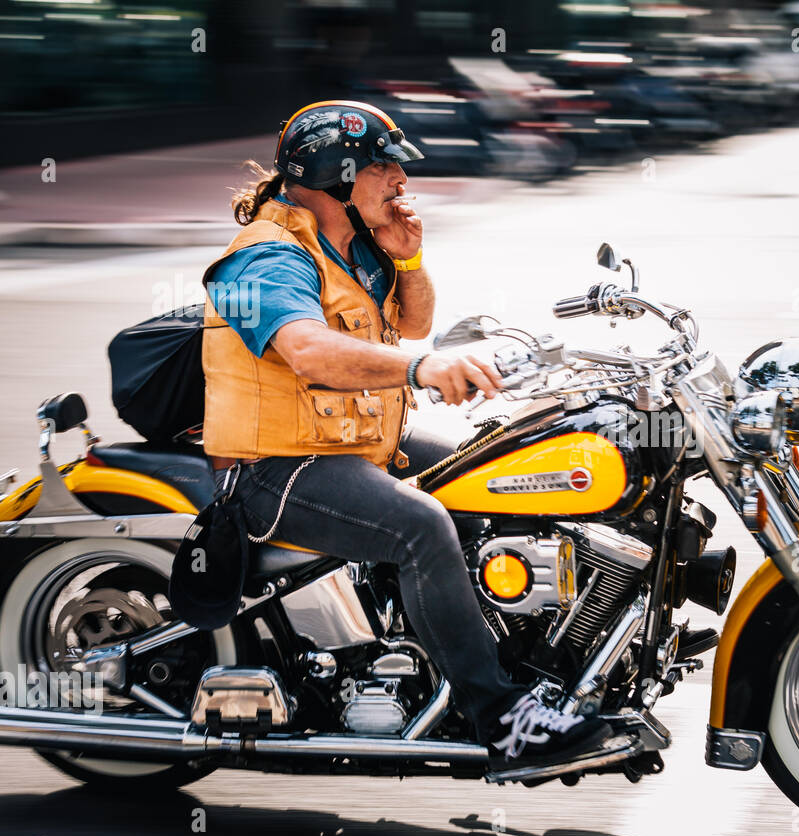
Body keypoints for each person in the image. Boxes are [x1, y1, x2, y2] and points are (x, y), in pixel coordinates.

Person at [201, 100, 610, 765]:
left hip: (352, 445)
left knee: (490, 480)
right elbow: (308, 350)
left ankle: (504, 666)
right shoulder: (265, 258)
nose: (400, 180)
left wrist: (408, 260)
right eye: (384, 166)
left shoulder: (354, 246)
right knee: (422, 526)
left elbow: (413, 324)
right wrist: (425, 370)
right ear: (337, 173)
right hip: (272, 469)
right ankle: (500, 717)